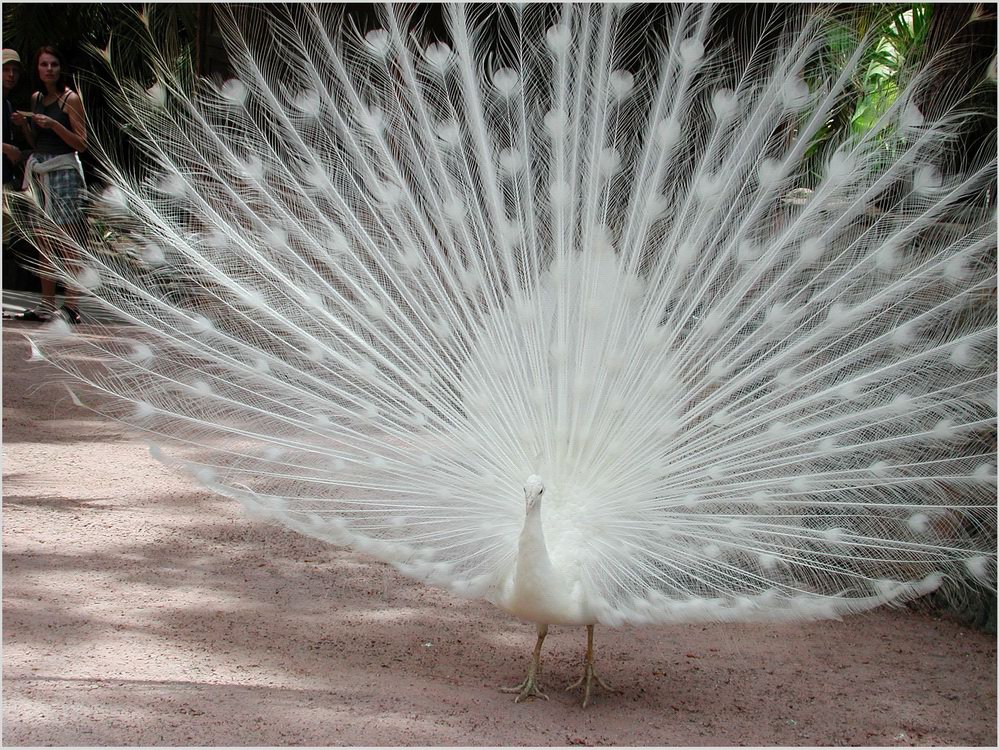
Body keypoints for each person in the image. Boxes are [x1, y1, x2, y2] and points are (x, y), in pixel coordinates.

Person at [10, 46, 87, 323]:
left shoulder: (71, 100)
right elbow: (34, 143)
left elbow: (82, 143)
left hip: (63, 172)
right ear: (38, 69)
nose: (49, 69)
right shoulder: (37, 99)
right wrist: (24, 125)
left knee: (67, 241)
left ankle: (72, 306)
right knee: (44, 242)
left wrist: (55, 125)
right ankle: (46, 305)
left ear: (60, 67)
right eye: (44, 65)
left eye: (54, 64)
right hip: (41, 173)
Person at [2, 48, 24, 187]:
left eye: (15, 70)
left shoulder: (7, 104)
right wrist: (8, 149)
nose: (11, 75)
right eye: (5, 69)